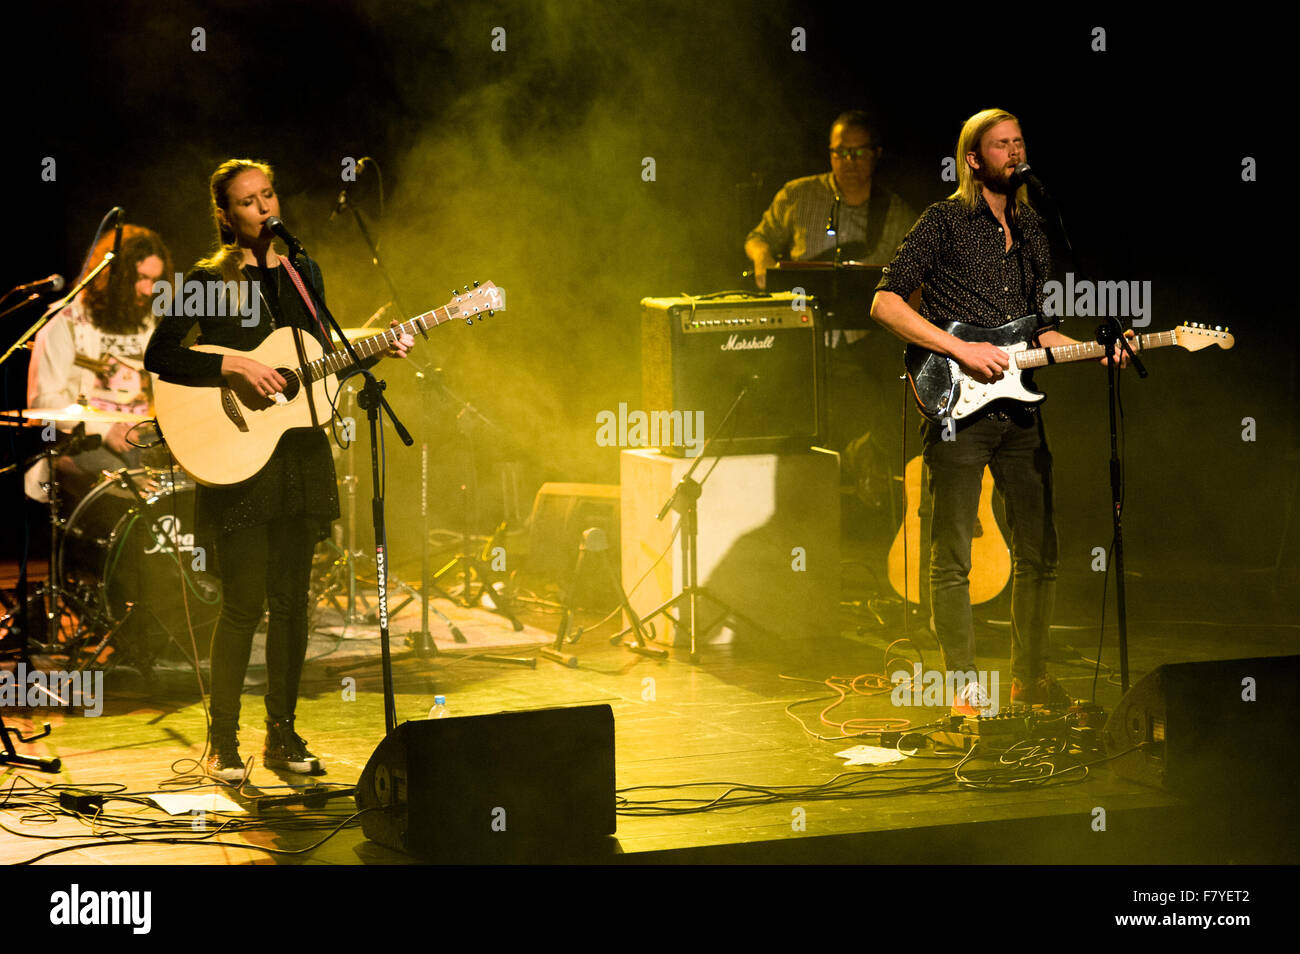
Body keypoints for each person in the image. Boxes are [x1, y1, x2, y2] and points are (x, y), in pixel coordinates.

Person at [145, 159, 413, 780]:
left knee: (294, 603)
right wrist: (231, 367)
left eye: (268, 194)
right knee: (244, 604)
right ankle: (223, 744)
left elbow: (314, 363)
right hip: (239, 457)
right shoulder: (208, 279)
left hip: (299, 454)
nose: (263, 208)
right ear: (224, 215)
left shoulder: (303, 270)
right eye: (247, 201)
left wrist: (373, 351)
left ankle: (283, 737)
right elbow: (162, 354)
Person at [870, 108, 1125, 716]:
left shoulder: (1035, 227)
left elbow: (1044, 331)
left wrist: (1097, 349)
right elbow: (883, 302)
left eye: (1019, 142)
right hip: (958, 404)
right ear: (974, 159)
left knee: (1042, 552)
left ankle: (1031, 682)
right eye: (1000, 144)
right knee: (953, 555)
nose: (1013, 152)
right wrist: (959, 346)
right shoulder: (944, 221)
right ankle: (962, 686)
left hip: (1021, 415)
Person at [26, 225, 172, 500]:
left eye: (156, 280)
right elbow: (41, 402)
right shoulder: (64, 324)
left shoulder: (148, 324)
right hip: (86, 446)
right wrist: (104, 431)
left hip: (142, 441)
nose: (149, 290)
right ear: (115, 276)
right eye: (141, 278)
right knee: (134, 491)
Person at [745, 110, 917, 290]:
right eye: (841, 152)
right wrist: (763, 257)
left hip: (863, 313)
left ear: (876, 153)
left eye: (859, 152)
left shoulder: (898, 215)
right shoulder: (796, 193)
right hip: (803, 306)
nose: (850, 161)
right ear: (830, 152)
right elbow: (758, 237)